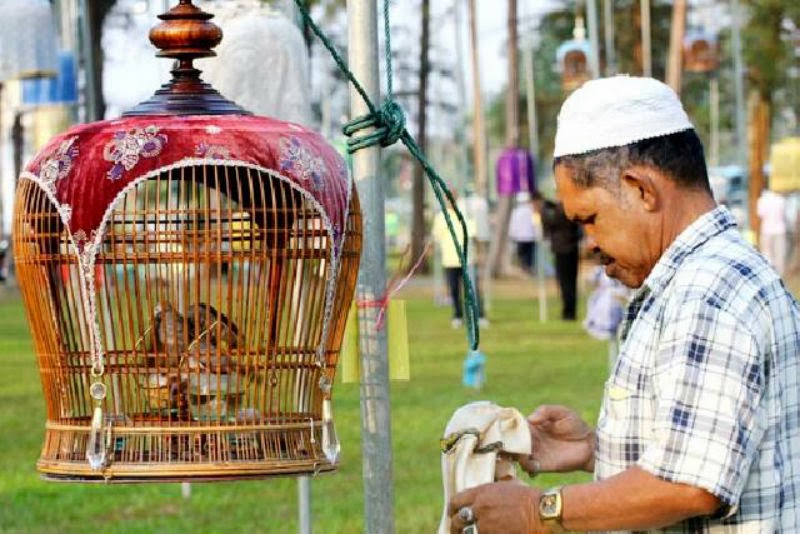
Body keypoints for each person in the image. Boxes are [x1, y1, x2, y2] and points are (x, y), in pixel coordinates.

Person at [447, 76, 800, 533]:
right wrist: (597, 448)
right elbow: (710, 448)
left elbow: (688, 485)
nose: (589, 243)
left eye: (590, 219)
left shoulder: (707, 289)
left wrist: (539, 511)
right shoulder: (715, 273)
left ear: (641, 189)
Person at [432, 191, 487, 329]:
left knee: (472, 290)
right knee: (454, 291)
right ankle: (457, 316)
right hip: (449, 261)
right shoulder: (440, 217)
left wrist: (480, 254)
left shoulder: (465, 214)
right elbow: (435, 237)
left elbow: (475, 236)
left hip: (467, 260)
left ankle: (479, 316)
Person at [534, 191, 581, 320]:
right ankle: (570, 311)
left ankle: (568, 312)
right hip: (571, 248)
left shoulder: (562, 210)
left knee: (565, 282)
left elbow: (551, 221)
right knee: (570, 282)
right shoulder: (570, 209)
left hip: (562, 249)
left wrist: (543, 210)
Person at [756, 186, 788, 276]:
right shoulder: (780, 200)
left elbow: (760, 214)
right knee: (780, 254)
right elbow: (784, 214)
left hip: (766, 229)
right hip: (780, 229)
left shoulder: (762, 200)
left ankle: (769, 274)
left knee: (767, 253)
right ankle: (780, 276)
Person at [508, 192, 539, 274]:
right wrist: (537, 234)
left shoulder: (515, 212)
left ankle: (524, 268)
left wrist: (512, 235)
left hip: (520, 237)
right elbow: (536, 224)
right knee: (529, 255)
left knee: (522, 255)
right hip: (530, 237)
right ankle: (529, 268)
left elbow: (513, 225)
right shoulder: (532, 211)